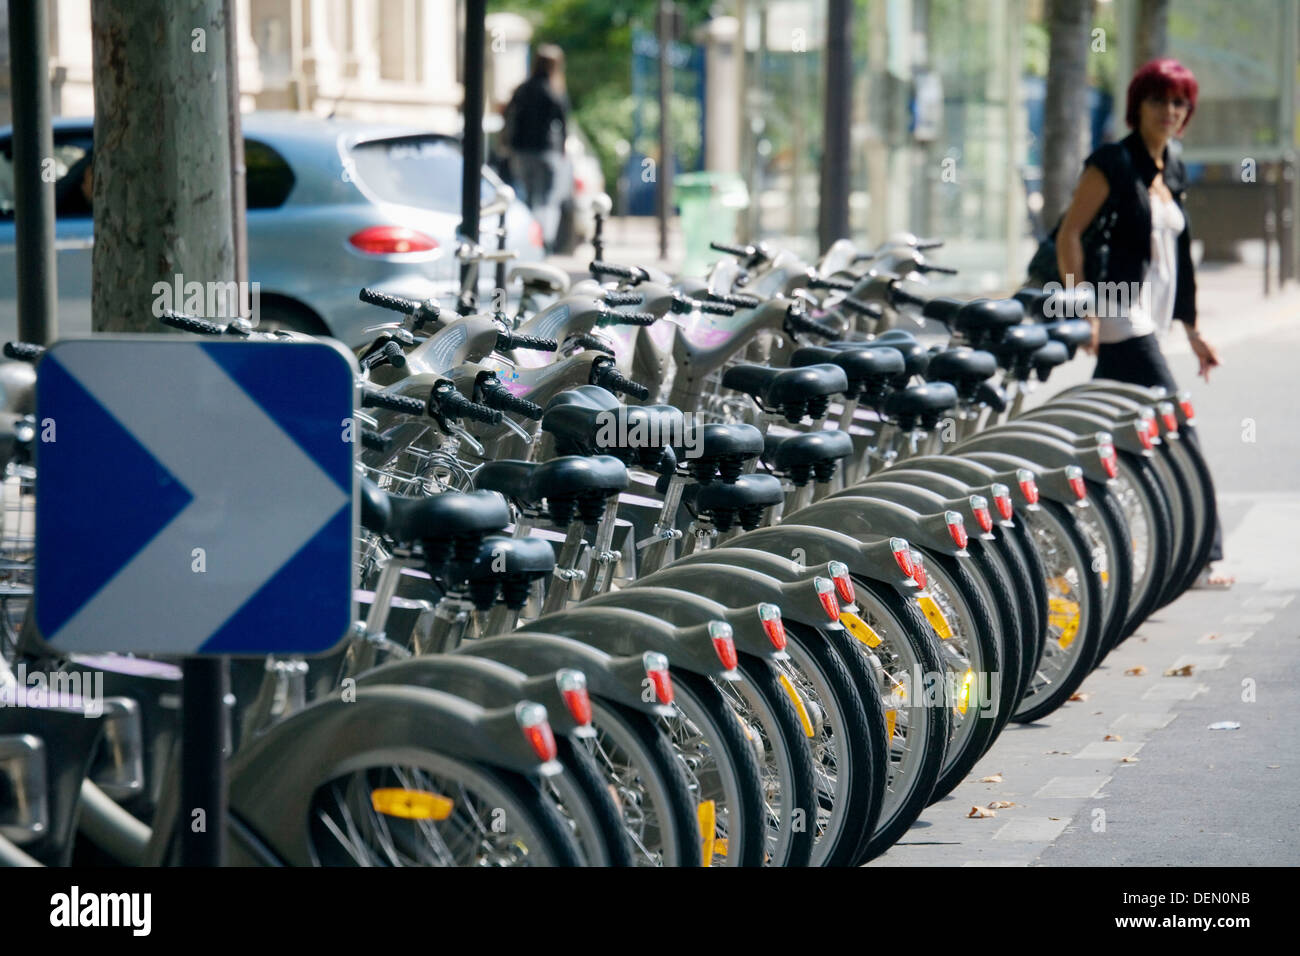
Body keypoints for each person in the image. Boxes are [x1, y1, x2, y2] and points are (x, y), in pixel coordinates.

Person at [1056, 57, 1230, 589]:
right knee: (1178, 426)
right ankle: (1204, 556)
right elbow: (1069, 236)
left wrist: (1193, 330)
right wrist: (1080, 307)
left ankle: (1053, 539)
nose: (1169, 111)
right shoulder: (1112, 162)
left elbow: (1178, 257)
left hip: (1149, 323)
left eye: (1179, 102)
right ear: (1139, 106)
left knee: (1097, 435)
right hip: (1118, 314)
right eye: (1159, 100)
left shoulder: (1170, 168)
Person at [501, 44, 572, 252]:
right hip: (548, 151)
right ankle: (544, 243)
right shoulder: (554, 90)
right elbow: (564, 121)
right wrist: (563, 148)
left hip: (522, 150)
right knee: (549, 200)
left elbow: (508, 116)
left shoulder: (522, 89)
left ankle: (529, 241)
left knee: (528, 197)